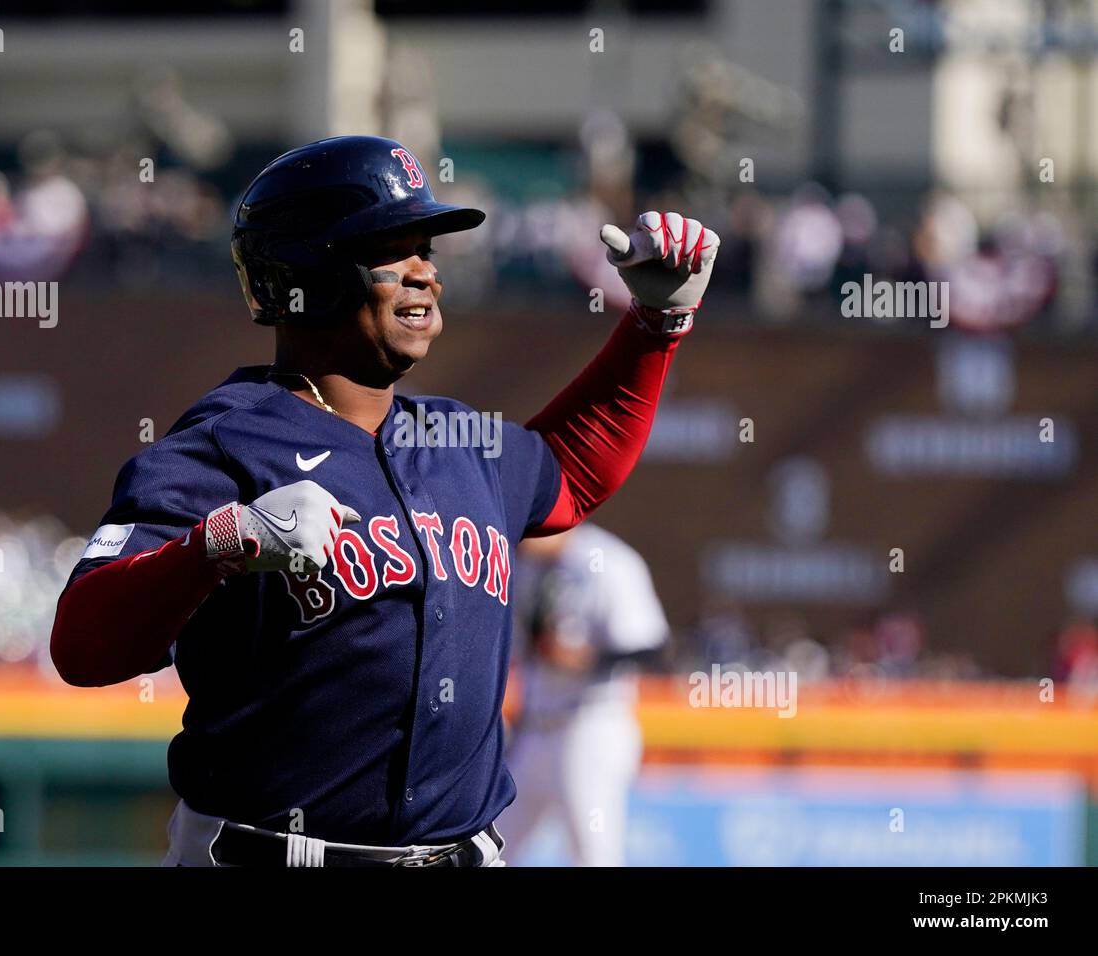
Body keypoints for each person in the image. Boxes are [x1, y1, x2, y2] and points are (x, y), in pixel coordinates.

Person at [49, 135, 718, 867]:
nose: (425, 273)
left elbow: (567, 472)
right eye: (392, 249)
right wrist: (218, 543)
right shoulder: (224, 444)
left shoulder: (460, 440)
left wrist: (655, 327)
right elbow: (83, 646)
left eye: (426, 249)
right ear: (308, 270)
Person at [498, 525, 667, 866]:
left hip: (590, 725)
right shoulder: (524, 564)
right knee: (494, 843)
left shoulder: (608, 560)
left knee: (592, 854)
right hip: (534, 728)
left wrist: (584, 660)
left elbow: (652, 650)